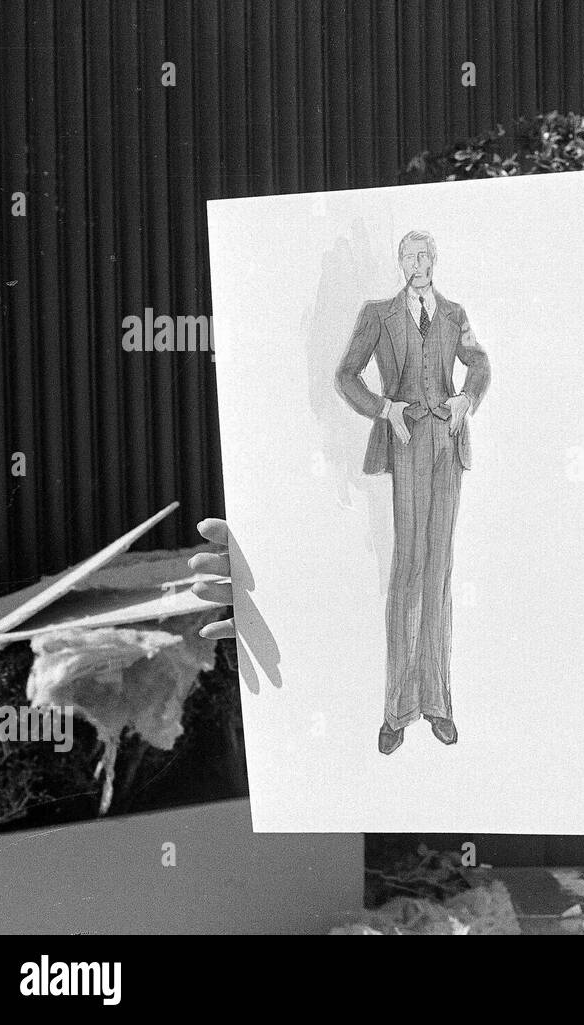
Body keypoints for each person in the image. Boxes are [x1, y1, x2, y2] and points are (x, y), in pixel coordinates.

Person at [192, 230, 490, 756]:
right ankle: (398, 711)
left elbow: (479, 362)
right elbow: (345, 376)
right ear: (401, 263)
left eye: (428, 256)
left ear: (435, 261)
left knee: (439, 569)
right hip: (403, 444)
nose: (421, 263)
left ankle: (438, 704)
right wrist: (385, 408)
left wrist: (467, 398)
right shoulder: (379, 314)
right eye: (413, 256)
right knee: (407, 571)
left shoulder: (455, 312)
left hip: (447, 446)